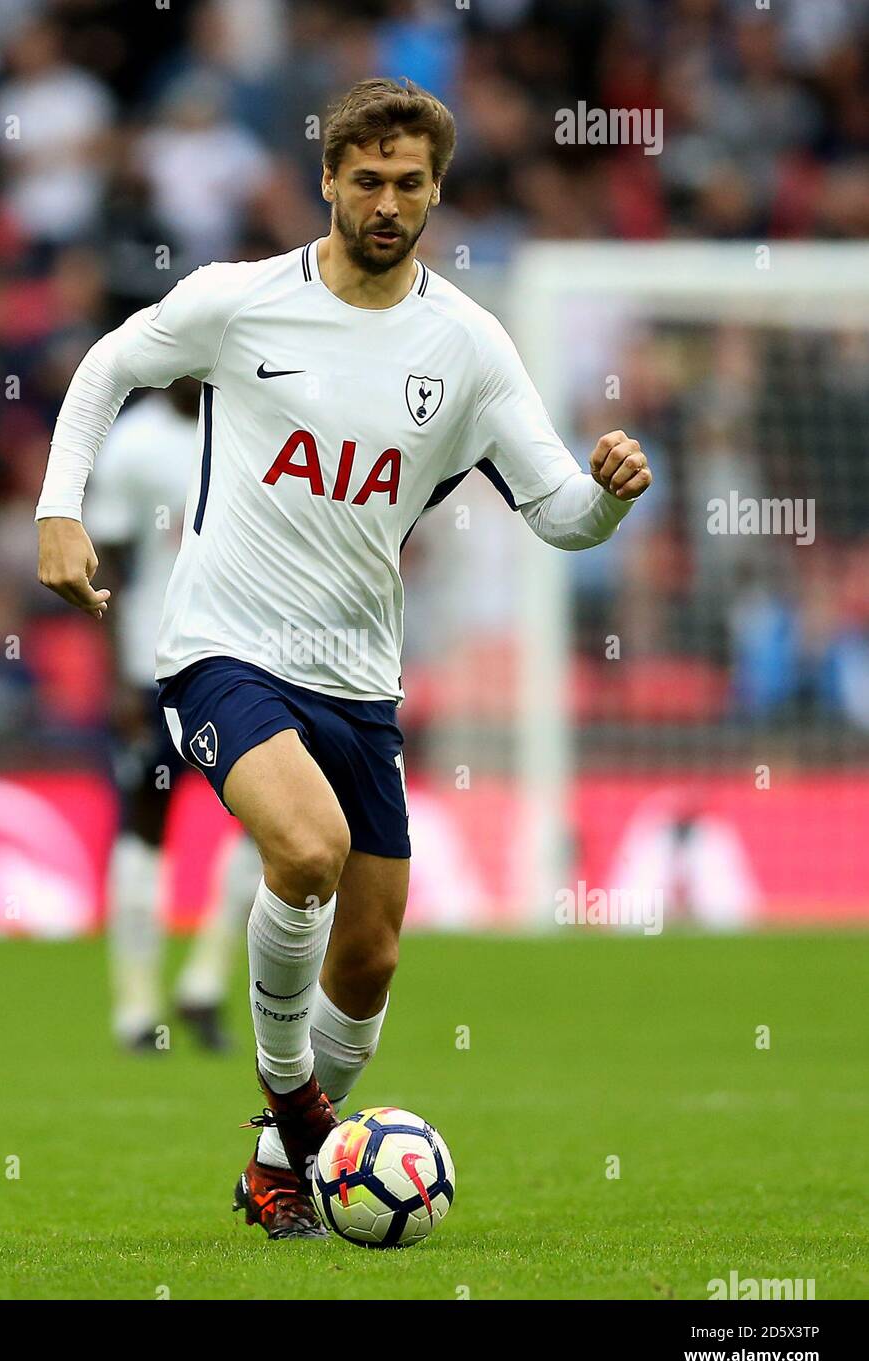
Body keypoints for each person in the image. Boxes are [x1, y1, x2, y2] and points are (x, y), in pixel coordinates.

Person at [35, 78, 652, 1239]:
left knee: (367, 955)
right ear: (326, 180)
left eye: (409, 182)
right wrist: (58, 508)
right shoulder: (241, 303)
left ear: (436, 190)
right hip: (222, 647)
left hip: (360, 676)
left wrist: (608, 497)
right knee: (305, 851)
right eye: (365, 179)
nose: (386, 201)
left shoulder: (468, 346)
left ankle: (278, 1169)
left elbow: (557, 508)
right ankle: (306, 1120)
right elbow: (110, 364)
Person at [83, 376, 260, 1052]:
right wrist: (116, 676)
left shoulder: (253, 425)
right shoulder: (134, 443)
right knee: (144, 822)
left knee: (267, 823)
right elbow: (109, 568)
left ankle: (206, 980)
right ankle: (135, 1007)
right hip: (152, 668)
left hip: (241, 663)